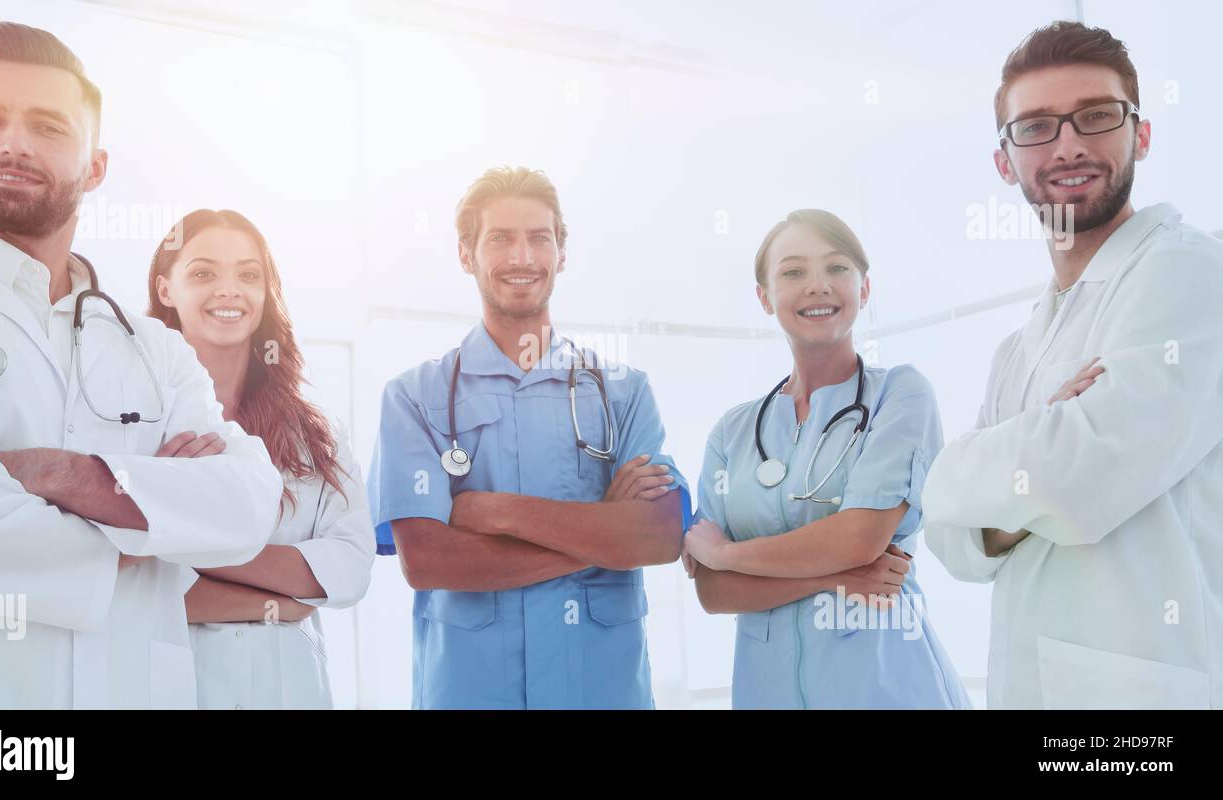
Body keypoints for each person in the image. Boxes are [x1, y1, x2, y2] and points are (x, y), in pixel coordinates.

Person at [0, 22, 281, 709]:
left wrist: (51, 473)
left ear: (95, 166)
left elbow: (247, 502)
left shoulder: (154, 347)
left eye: (49, 126)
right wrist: (155, 521)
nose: (13, 143)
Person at [922, 21, 1223, 709]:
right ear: (1005, 162)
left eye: (1096, 117)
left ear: (1140, 135)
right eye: (1036, 127)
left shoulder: (1187, 273)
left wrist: (961, 471)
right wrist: (1014, 486)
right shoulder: (1020, 344)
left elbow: (1075, 477)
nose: (1068, 146)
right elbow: (954, 544)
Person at [367, 166, 690, 709]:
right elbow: (427, 560)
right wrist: (603, 531)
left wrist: (497, 511)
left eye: (539, 238)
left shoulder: (623, 391)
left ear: (562, 252)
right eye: (500, 239)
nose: (522, 257)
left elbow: (658, 536)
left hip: (602, 692)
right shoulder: (414, 397)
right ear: (466, 254)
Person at [683, 209, 971, 709]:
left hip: (886, 688)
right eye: (793, 272)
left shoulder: (900, 394)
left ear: (863, 289)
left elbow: (860, 537)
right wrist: (832, 576)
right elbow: (713, 592)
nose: (818, 285)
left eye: (837, 268)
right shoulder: (732, 432)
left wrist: (728, 554)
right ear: (764, 297)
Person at [147, 209, 376, 709]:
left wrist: (193, 552)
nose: (229, 290)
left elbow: (352, 566)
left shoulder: (314, 435)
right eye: (204, 273)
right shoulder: (134, 421)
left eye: (248, 275)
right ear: (166, 289)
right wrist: (278, 597)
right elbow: (123, 577)